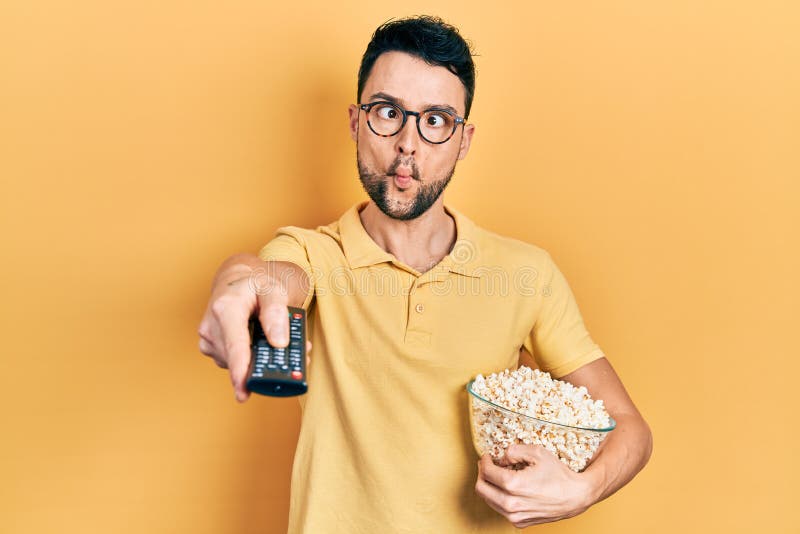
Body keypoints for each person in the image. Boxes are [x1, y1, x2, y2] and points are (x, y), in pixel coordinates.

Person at [198, 16, 652, 533]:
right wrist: (240, 286)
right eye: (388, 113)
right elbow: (268, 277)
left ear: (464, 140)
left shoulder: (527, 274)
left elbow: (631, 429)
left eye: (435, 120)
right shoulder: (315, 253)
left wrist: (581, 491)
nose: (407, 144)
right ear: (355, 122)